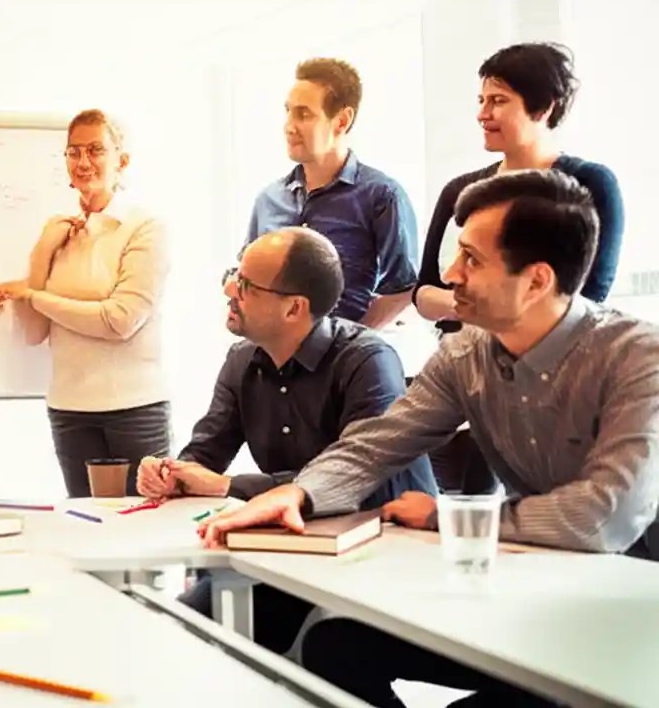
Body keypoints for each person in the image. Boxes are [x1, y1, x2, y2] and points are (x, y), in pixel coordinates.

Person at [200, 170, 659, 707]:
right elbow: (377, 443)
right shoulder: (464, 355)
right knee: (334, 648)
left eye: (472, 260)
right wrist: (297, 493)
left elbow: (605, 517)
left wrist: (446, 517)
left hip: (631, 612)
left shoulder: (637, 357)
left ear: (536, 280)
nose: (448, 274)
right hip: (536, 584)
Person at [138, 226, 435, 652]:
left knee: (327, 654)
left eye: (245, 285)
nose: (229, 290)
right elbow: (205, 453)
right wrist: (172, 474)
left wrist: (227, 487)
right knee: (182, 625)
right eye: (233, 274)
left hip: (379, 550)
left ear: (294, 308)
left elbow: (360, 483)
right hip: (289, 548)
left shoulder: (367, 360)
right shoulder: (242, 360)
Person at [0, 109, 171, 498]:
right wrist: (43, 249)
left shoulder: (145, 226)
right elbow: (33, 333)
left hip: (135, 408)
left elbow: (121, 320)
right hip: (69, 408)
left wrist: (32, 295)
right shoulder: (61, 230)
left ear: (121, 160)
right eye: (73, 152)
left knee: (144, 538)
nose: (83, 162)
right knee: (86, 532)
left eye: (96, 150)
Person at [415, 42, 623, 331]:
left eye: (498, 101)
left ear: (544, 108)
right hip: (461, 357)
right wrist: (479, 305)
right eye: (481, 100)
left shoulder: (590, 183)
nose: (482, 114)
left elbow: (591, 294)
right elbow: (423, 293)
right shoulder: (458, 190)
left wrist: (491, 309)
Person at [245, 58, 419, 329]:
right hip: (269, 359)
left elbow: (403, 289)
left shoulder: (382, 196)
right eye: (288, 111)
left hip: (343, 363)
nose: (289, 126)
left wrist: (351, 342)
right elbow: (246, 276)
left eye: (303, 114)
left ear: (341, 120)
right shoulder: (268, 199)